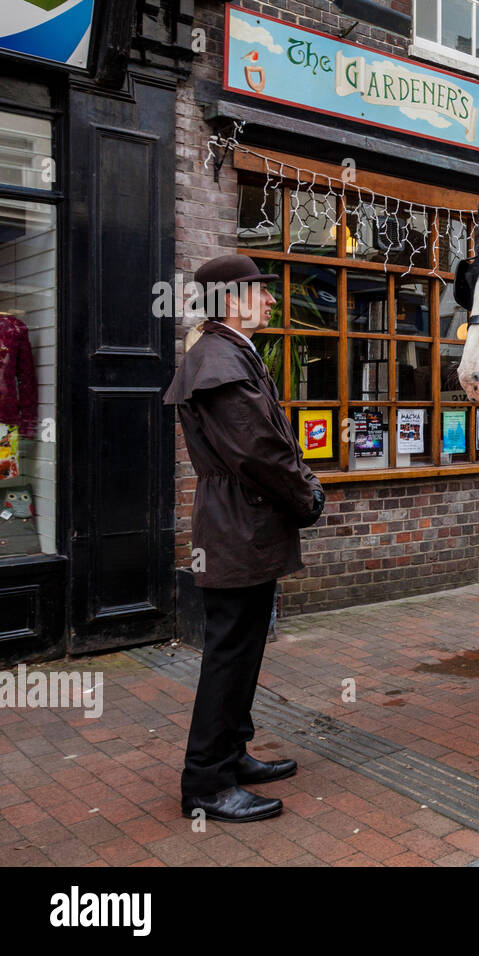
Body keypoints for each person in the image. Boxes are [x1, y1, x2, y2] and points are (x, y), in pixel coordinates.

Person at [163, 254, 325, 823]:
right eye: (260, 291)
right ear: (231, 300)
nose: (272, 299)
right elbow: (258, 449)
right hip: (237, 526)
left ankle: (231, 756)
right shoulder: (218, 358)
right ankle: (206, 783)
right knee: (228, 654)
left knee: (243, 647)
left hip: (240, 524)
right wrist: (307, 494)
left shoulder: (222, 352)